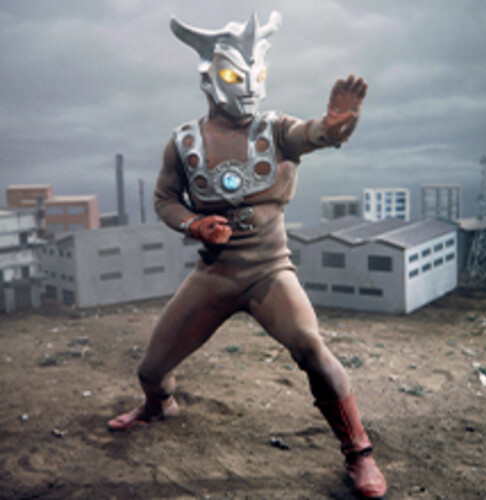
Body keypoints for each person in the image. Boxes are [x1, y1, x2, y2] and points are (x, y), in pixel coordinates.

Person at [108, 11, 387, 499]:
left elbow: (312, 134)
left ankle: (358, 452)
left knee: (310, 347)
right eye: (239, 77)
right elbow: (165, 199)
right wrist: (194, 224)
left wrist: (335, 127)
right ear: (211, 78)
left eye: (258, 75)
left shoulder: (274, 130)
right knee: (150, 371)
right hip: (214, 274)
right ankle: (158, 405)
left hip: (268, 272)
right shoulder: (184, 142)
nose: (251, 87)